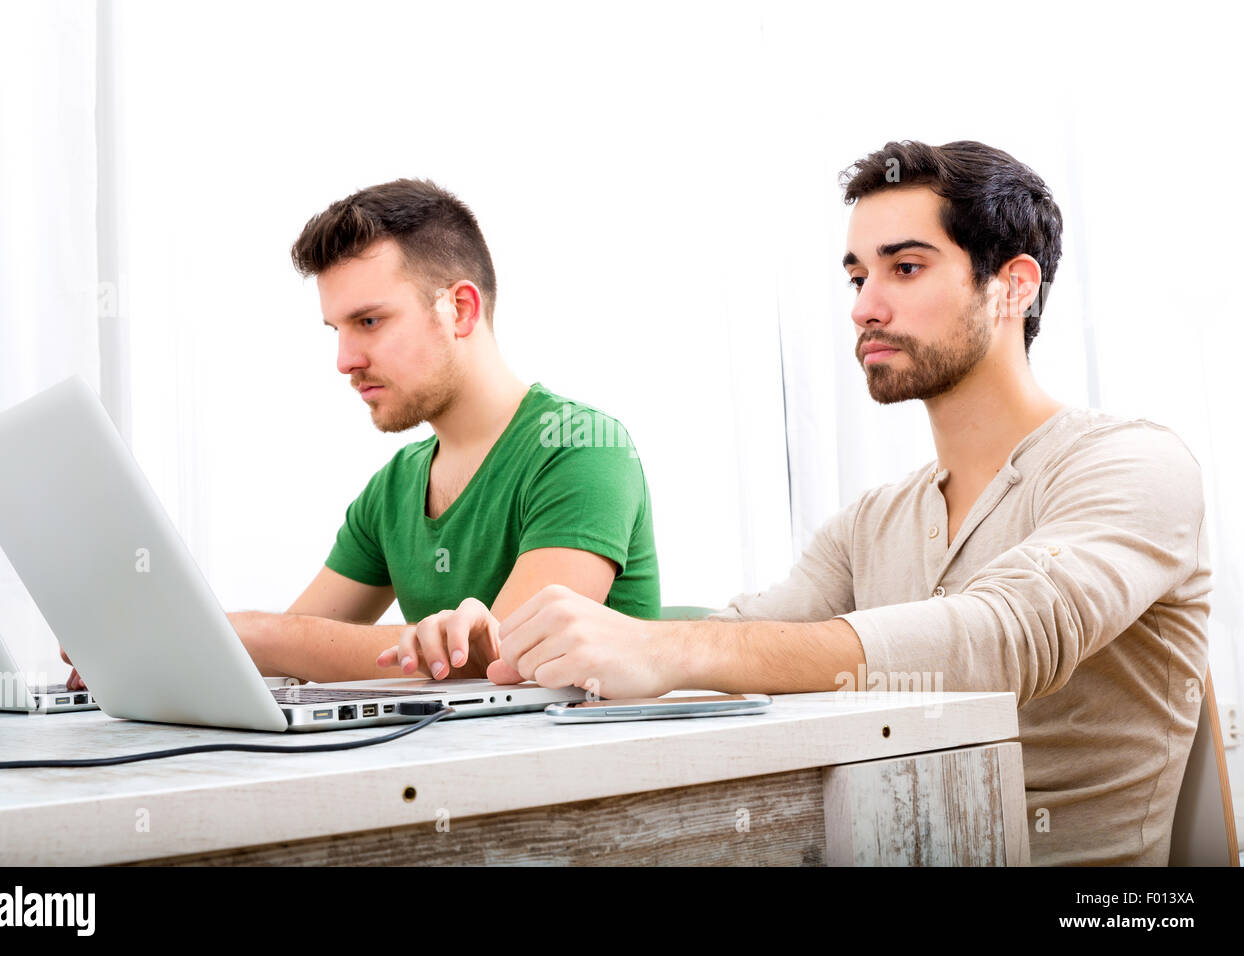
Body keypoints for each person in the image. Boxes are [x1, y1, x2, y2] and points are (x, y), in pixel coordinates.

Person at [441, 141, 1212, 865]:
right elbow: (748, 632)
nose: (865, 307)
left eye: (905, 269)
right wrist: (536, 642)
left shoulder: (1134, 464)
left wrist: (672, 653)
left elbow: (1003, 638)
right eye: (857, 277)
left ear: (1012, 285)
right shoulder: (874, 521)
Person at [66, 178, 659, 689]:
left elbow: (502, 664)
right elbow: (286, 656)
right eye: (336, 330)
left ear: (461, 310)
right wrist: (162, 652)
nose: (346, 360)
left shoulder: (580, 445)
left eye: (369, 322)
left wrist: (256, 634)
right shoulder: (396, 487)